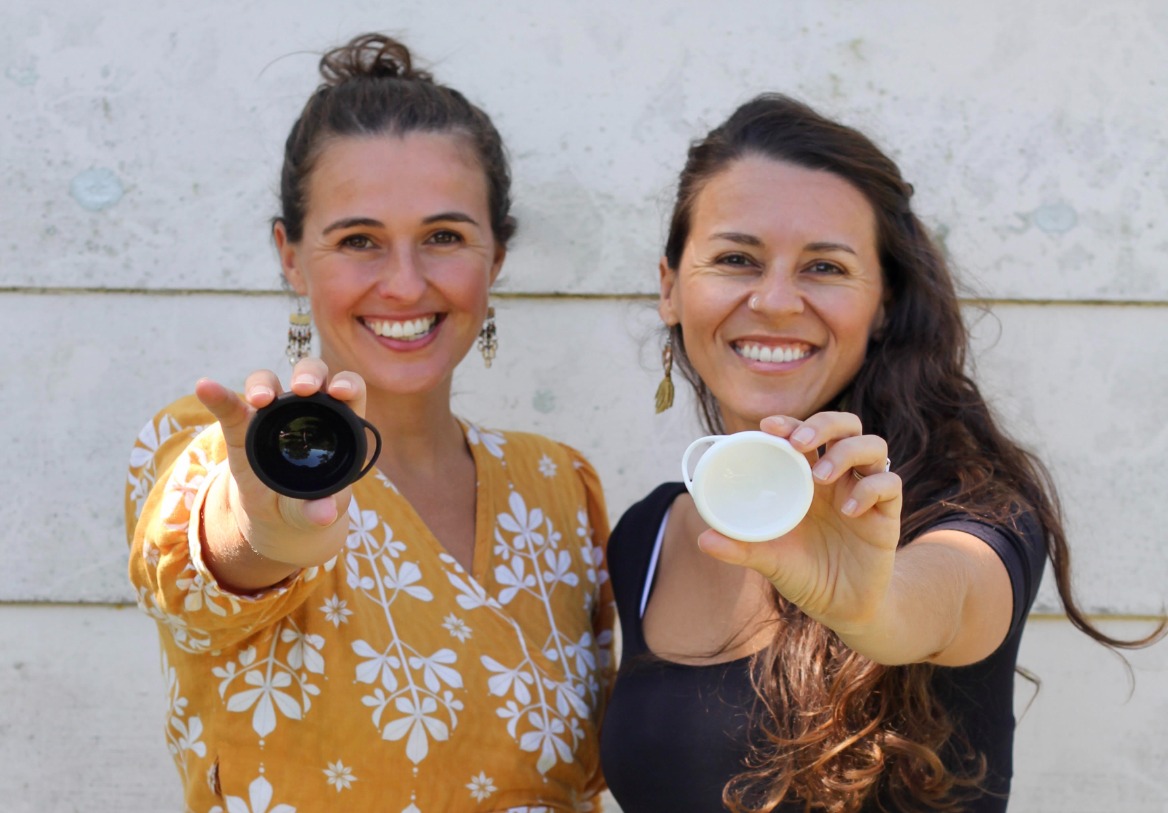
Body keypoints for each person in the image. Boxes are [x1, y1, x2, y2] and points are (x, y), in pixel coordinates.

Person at [598, 94, 1163, 812]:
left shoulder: (971, 511)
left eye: (825, 267)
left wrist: (869, 604)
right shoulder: (647, 537)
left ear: (884, 303)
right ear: (670, 288)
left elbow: (937, 596)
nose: (775, 300)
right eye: (737, 259)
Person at [125, 34, 614, 812]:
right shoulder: (224, 450)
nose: (405, 284)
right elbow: (219, 550)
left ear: (496, 256)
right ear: (291, 255)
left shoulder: (558, 485)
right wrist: (270, 528)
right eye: (359, 241)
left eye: (444, 237)